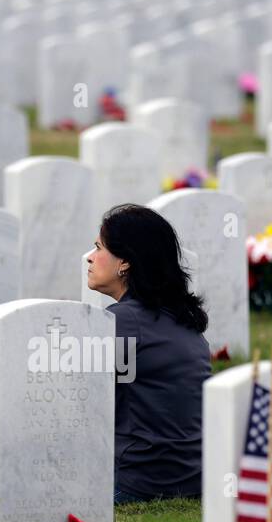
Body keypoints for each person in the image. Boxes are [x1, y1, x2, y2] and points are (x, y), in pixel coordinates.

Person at [85, 205, 211, 504]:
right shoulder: (183, 319)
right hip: (194, 477)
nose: (90, 257)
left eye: (98, 248)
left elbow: (77, 400)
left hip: (141, 483)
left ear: (125, 262)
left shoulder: (123, 321)